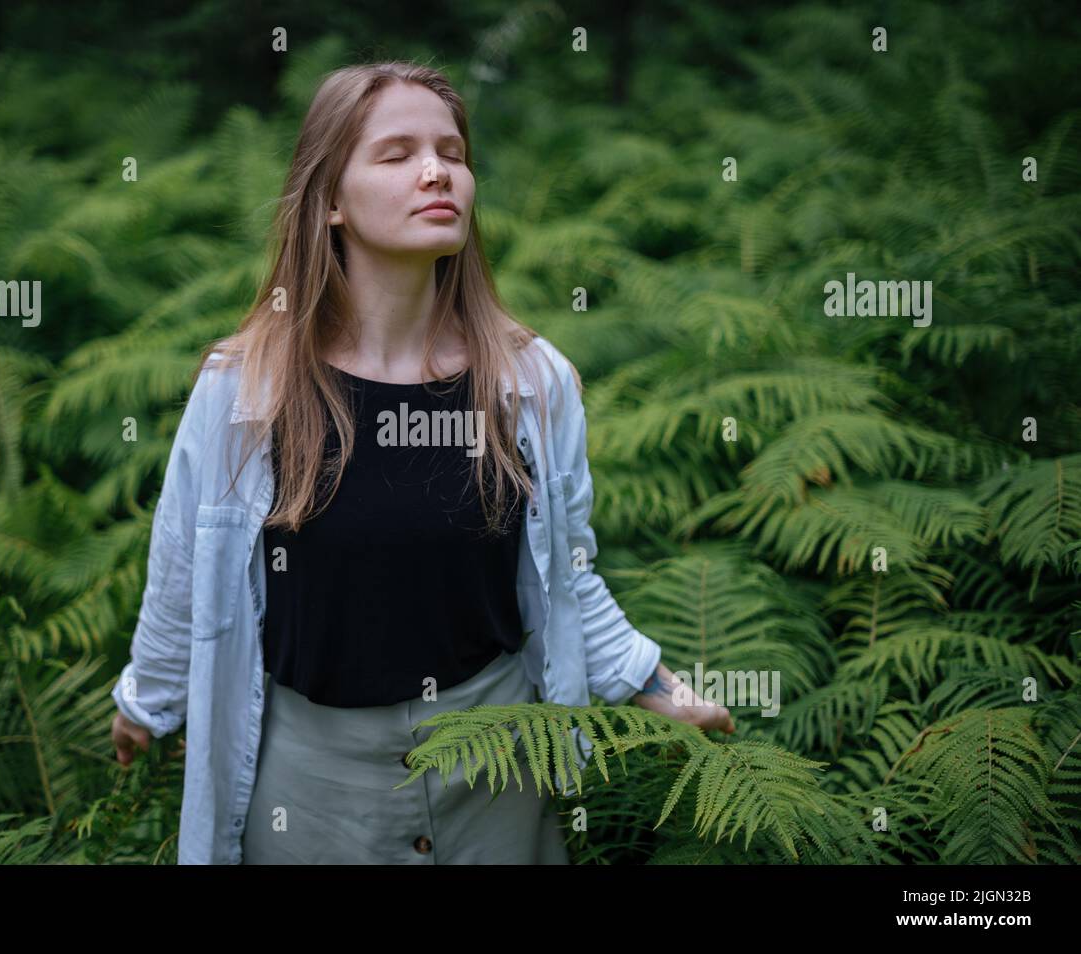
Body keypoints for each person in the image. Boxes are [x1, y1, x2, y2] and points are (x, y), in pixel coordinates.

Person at [111, 60, 734, 866]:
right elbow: (185, 571)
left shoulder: (529, 381)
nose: (438, 170)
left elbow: (566, 574)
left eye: (452, 151)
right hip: (310, 790)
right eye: (397, 153)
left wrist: (654, 689)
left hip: (502, 771)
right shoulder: (246, 391)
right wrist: (149, 702)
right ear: (330, 200)